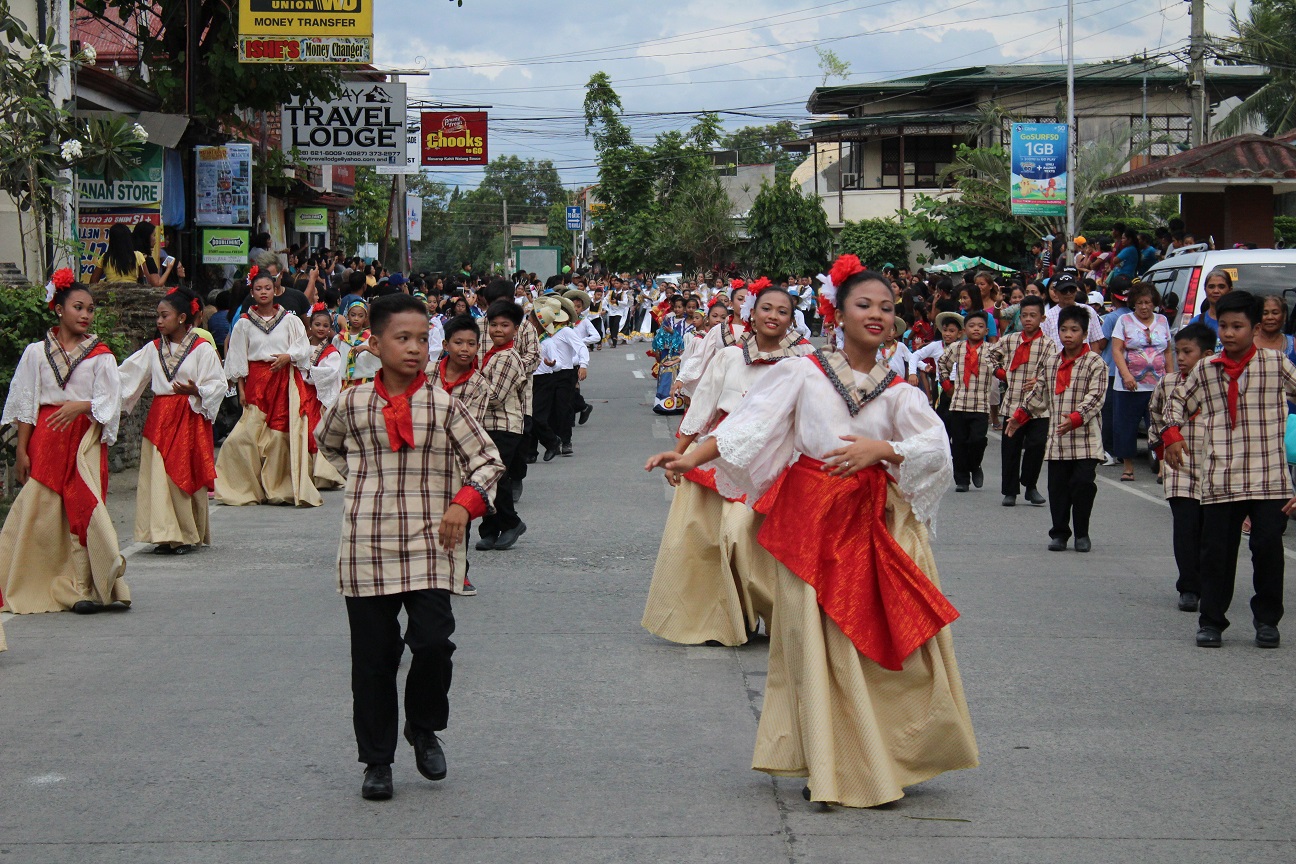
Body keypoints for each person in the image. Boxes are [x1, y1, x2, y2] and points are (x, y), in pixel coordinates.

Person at [645, 259, 977, 808]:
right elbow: (749, 425)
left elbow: (936, 448)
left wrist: (884, 449)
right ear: (837, 314)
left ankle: (883, 755)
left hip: (872, 524)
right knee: (815, 647)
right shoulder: (803, 372)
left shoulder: (899, 389)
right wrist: (685, 457)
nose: (877, 314)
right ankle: (828, 765)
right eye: (863, 304)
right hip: (811, 524)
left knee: (880, 645)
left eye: (887, 308)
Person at [315, 292, 506, 801]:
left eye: (423, 339)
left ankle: (423, 727)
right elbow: (325, 443)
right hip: (366, 547)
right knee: (373, 660)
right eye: (403, 338)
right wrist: (363, 488)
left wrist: (463, 504)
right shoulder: (352, 402)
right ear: (374, 344)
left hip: (430, 542)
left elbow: (488, 462)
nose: (416, 348)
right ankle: (377, 762)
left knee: (434, 643)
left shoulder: (445, 406)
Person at [642, 285, 813, 647]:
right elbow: (702, 405)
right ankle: (729, 619)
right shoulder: (731, 357)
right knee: (718, 538)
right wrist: (680, 454)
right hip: (721, 454)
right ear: (751, 312)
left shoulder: (804, 362)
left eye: (782, 311)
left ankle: (775, 613)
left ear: (791, 319)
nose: (773, 316)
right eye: (766, 308)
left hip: (775, 459)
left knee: (748, 538)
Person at [1163, 291, 1296, 649]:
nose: (1229, 333)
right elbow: (1175, 401)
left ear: (1255, 328)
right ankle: (1212, 622)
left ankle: (1267, 621)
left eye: (1238, 326)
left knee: (1268, 549)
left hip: (1270, 476)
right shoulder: (1207, 369)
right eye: (1223, 326)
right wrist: (1172, 435)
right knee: (1216, 553)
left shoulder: (1276, 363)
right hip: (1221, 475)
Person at [0, 272, 129, 614]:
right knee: (40, 514)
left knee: (83, 507)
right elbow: (27, 406)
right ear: (58, 309)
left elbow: (110, 401)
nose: (85, 315)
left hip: (84, 441)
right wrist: (22, 451)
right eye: (77, 307)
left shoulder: (101, 355)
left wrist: (81, 406)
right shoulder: (35, 353)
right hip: (47, 438)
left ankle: (89, 586)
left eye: (90, 308)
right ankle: (53, 584)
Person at [118, 288, 225, 554]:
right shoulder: (153, 349)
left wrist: (197, 391)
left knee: (182, 473)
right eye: (158, 316)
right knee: (158, 477)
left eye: (164, 315)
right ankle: (164, 534)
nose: (159, 321)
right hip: (160, 416)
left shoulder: (202, 349)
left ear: (181, 318)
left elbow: (218, 383)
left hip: (188, 416)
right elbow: (125, 376)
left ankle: (186, 534)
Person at [215, 268, 320, 508]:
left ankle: (279, 488)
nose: (263, 292)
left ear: (275, 290)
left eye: (268, 288)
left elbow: (302, 346)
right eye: (258, 289)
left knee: (279, 437)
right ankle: (244, 487)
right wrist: (241, 388)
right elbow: (238, 356)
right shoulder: (244, 324)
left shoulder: (290, 320)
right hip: (257, 382)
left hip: (283, 380)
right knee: (245, 436)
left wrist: (288, 356)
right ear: (251, 292)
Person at [1006, 305, 1107, 553]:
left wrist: (1076, 417)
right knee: (1058, 488)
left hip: (1085, 436)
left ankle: (1082, 533)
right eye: (1064, 329)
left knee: (1083, 485)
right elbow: (1039, 393)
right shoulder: (1051, 362)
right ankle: (1059, 533)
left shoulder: (1095, 362)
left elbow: (1096, 397)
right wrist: (1020, 415)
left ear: (1085, 334)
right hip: (1059, 439)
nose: (1068, 335)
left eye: (1074, 330)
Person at [1149, 323, 1214, 613]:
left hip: (1216, 465)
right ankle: (1188, 586)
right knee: (1186, 526)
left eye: (1189, 352)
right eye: (1179, 351)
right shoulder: (1168, 382)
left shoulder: (1221, 382)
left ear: (1208, 354)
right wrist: (1161, 452)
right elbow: (1155, 416)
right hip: (1180, 467)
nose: (1182, 357)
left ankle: (1211, 582)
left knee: (1210, 531)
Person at [473, 301, 530, 551]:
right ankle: (490, 529)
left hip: (505, 425)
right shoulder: (492, 354)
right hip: (487, 424)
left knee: (495, 478)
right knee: (488, 478)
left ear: (516, 329)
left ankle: (510, 523)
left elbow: (495, 397)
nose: (498, 329)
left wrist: (471, 386)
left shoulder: (507, 357)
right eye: (493, 324)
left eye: (505, 325)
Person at [987, 295, 1054, 506]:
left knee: (1037, 445)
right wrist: (999, 372)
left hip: (1038, 406)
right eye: (1024, 315)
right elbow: (989, 355)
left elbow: (1053, 369)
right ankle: (1010, 490)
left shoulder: (1049, 344)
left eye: (1033, 316)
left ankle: (1030, 485)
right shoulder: (1010, 340)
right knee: (1011, 448)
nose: (1028, 320)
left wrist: (1039, 379)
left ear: (1042, 318)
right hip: (1013, 402)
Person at [1110, 281, 1172, 481]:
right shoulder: (1124, 321)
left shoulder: (1162, 320)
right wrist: (1126, 375)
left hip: (1158, 385)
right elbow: (1117, 350)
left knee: (1159, 425)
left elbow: (1168, 351)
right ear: (1133, 303)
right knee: (1126, 426)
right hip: (1129, 386)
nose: (1144, 307)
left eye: (1148, 302)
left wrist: (1171, 379)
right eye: (1140, 303)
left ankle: (1163, 467)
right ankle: (1128, 467)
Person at [937, 310, 993, 492]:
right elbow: (942, 363)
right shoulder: (957, 348)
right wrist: (947, 385)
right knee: (959, 442)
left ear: (986, 330)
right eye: (971, 326)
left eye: (980, 326)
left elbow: (1002, 366)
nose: (976, 329)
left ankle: (975, 465)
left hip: (981, 404)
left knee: (977, 440)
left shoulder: (991, 350)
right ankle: (962, 479)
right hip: (959, 402)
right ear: (964, 329)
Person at [302, 305, 345, 490]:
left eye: (325, 325)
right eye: (317, 324)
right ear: (310, 326)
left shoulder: (331, 352)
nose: (321, 328)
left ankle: (322, 475)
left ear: (330, 328)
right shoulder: (301, 346)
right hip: (301, 393)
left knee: (315, 430)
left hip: (318, 397)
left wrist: (307, 372)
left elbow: (330, 373)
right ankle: (304, 472)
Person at [1041, 271, 1106, 351]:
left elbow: (1095, 342)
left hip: (1085, 361)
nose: (1068, 293)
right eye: (1064, 290)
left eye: (1072, 290)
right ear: (1055, 292)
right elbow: (1044, 346)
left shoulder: (1088, 311)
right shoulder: (1048, 317)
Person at [337, 299, 382, 389]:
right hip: (344, 384)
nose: (356, 318)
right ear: (347, 316)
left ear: (366, 318)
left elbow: (381, 355)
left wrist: (366, 348)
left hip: (365, 382)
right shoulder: (340, 338)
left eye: (360, 316)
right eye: (353, 315)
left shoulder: (370, 338)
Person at [132, 221, 179, 287]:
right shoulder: (147, 259)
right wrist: (169, 268)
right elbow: (157, 284)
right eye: (153, 235)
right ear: (146, 238)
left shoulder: (132, 256)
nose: (155, 239)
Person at [1189, 269, 1232, 335]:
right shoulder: (1196, 322)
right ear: (1205, 289)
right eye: (1211, 287)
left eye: (1221, 287)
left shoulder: (1241, 321)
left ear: (1230, 290)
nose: (1216, 291)